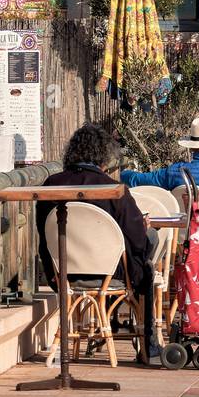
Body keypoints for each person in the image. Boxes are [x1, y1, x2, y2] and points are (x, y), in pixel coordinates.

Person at [38, 124, 158, 360]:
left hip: (62, 272)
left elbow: (43, 231)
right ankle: (148, 344)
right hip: (110, 274)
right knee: (147, 252)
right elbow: (137, 241)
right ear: (104, 156)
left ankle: (108, 324)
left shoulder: (51, 184)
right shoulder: (114, 189)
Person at [120, 116, 199, 193]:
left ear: (192, 148)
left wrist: (122, 174)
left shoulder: (174, 172)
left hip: (183, 232)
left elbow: (139, 180)